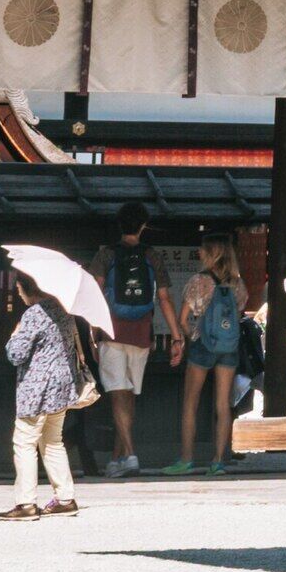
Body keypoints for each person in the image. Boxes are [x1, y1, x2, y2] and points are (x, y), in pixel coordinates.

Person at [85, 203, 172, 476]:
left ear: (119, 225)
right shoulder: (152, 256)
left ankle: (131, 455)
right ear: (143, 226)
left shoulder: (105, 255)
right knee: (129, 396)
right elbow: (165, 298)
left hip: (112, 333)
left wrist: (92, 332)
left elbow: (94, 295)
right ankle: (117, 460)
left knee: (117, 396)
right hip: (141, 334)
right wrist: (178, 336)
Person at [0, 269, 84, 519]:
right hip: (61, 388)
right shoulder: (63, 311)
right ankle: (65, 498)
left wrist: (14, 334)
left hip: (36, 389)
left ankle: (26, 503)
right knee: (53, 441)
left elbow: (16, 355)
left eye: (19, 288)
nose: (18, 293)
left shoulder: (33, 314)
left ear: (29, 288)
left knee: (24, 443)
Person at [167, 240, 245, 474]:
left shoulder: (198, 281)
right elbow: (238, 314)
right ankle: (218, 460)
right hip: (229, 347)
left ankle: (186, 459)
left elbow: (182, 319)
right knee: (223, 404)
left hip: (203, 346)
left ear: (213, 254)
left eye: (203, 249)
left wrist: (192, 336)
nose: (199, 252)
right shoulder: (238, 284)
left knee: (191, 402)